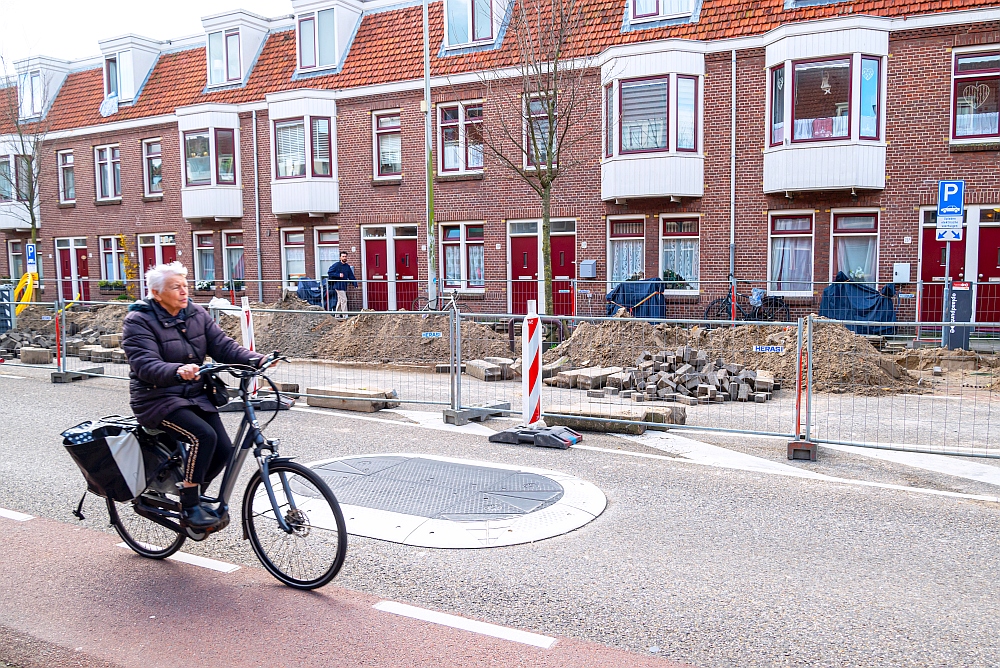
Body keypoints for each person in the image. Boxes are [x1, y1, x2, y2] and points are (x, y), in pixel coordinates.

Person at [122, 262, 263, 532]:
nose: (184, 291)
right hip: (156, 399)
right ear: (156, 292)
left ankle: (192, 491)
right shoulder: (138, 321)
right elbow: (144, 365)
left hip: (194, 395)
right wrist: (177, 370)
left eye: (185, 285)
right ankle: (189, 506)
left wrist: (257, 359)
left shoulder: (195, 313)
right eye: (176, 287)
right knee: (203, 436)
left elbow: (223, 346)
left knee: (223, 450)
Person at [327, 251, 358, 317]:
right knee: (344, 300)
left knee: (340, 301)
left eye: (345, 256)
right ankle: (345, 316)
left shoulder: (347, 266)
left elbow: (351, 275)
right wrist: (338, 275)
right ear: (340, 257)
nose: (344, 258)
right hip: (338, 285)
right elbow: (329, 272)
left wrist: (354, 283)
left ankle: (337, 315)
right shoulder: (336, 265)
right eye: (343, 256)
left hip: (343, 285)